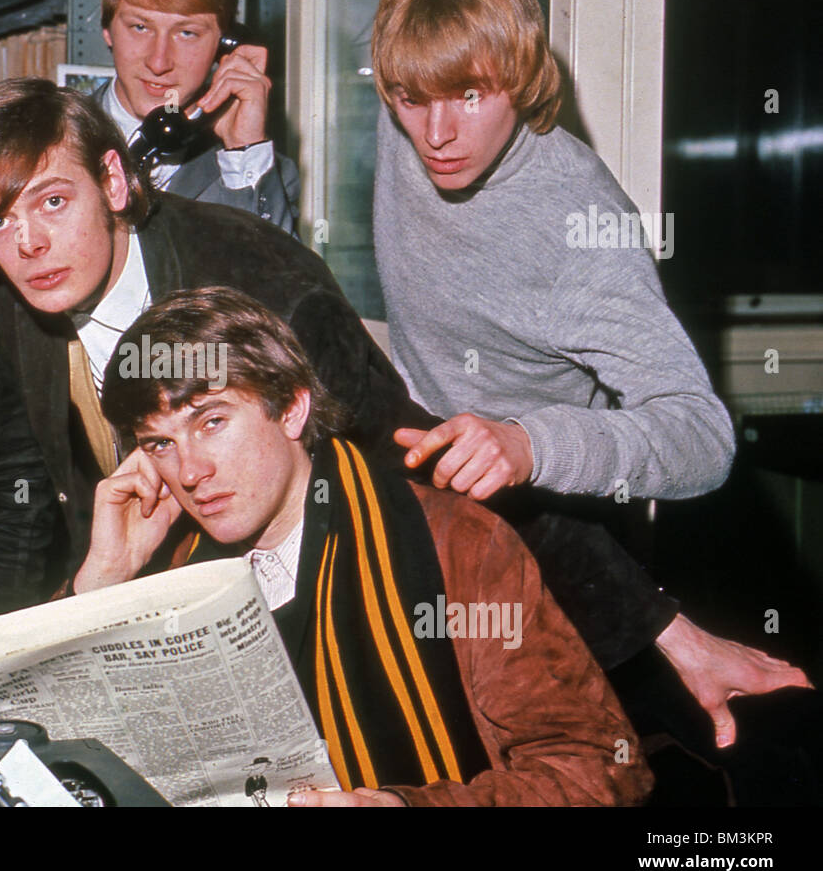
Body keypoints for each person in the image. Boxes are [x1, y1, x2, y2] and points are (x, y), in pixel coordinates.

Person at [368, 0, 814, 778]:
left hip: (539, 525)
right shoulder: (416, 116)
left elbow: (702, 436)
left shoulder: (581, 231)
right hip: (414, 477)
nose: (435, 136)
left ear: (525, 74)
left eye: (470, 96)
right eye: (410, 98)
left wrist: (530, 444)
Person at [70, 286, 653, 806]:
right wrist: (103, 580)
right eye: (161, 444)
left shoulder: (454, 544)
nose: (190, 472)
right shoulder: (169, 568)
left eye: (212, 422)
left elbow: (600, 770)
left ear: (292, 407)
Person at [0, 77, 434, 620]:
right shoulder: (23, 284)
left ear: (113, 182)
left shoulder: (265, 282)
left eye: (53, 201)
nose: (28, 244)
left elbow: (392, 460)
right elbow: (13, 497)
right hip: (133, 589)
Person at [0, 0, 300, 536]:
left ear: (227, 45)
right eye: (139, 27)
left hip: (207, 502)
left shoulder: (254, 168)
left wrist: (246, 162)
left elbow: (281, 332)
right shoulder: (27, 148)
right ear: (106, 29)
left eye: (187, 33)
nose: (160, 61)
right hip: (71, 503)